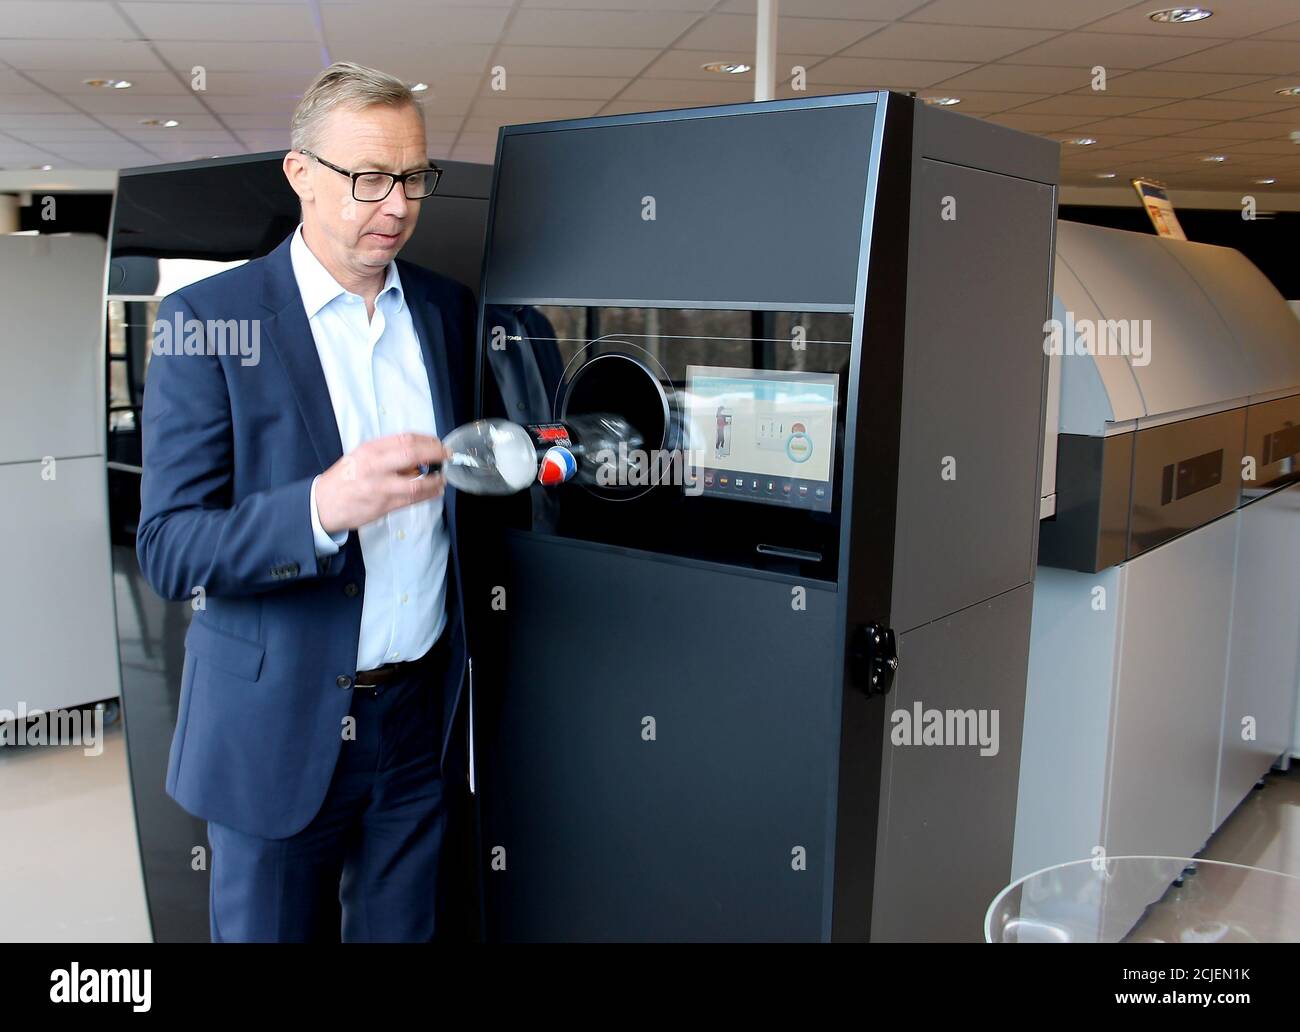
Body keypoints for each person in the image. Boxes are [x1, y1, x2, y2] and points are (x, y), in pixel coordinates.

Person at [136, 61, 476, 942]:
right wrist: (319, 509)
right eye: (367, 177)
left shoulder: (447, 311)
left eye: (412, 178)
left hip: (414, 730)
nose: (395, 204)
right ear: (300, 174)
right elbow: (170, 547)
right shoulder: (208, 321)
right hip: (273, 730)